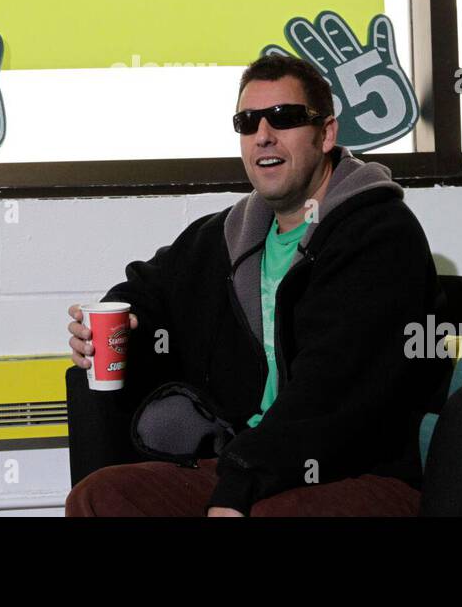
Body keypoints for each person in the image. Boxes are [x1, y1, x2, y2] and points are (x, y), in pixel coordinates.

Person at [65, 53, 440, 516]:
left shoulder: (377, 236)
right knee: (101, 496)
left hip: (355, 468)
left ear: (326, 134)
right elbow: (149, 287)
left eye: (284, 118)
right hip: (247, 461)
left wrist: (237, 490)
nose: (263, 134)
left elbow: (330, 394)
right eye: (247, 122)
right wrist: (110, 323)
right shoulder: (230, 235)